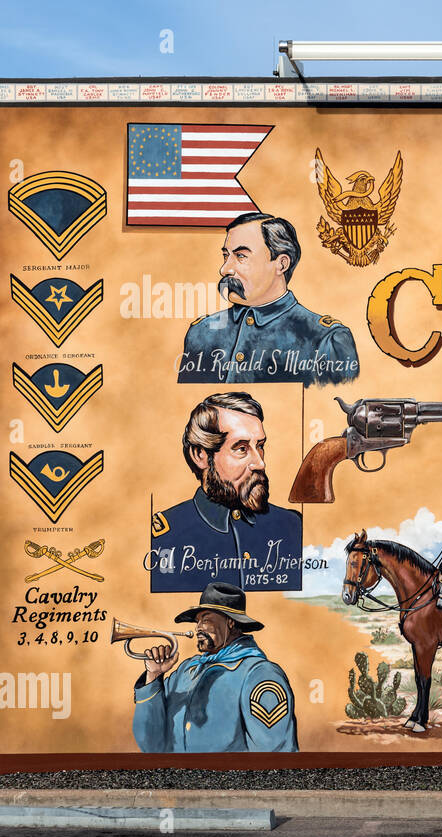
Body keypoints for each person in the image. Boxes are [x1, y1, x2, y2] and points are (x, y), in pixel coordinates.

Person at [177, 212, 359, 386]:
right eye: (226, 255)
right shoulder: (202, 333)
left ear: (281, 264)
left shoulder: (326, 339)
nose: (225, 269)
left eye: (241, 256)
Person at [150, 392, 302, 592]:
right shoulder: (164, 537)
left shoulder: (292, 526)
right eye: (241, 448)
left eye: (260, 446)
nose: (260, 463)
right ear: (200, 455)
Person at [132, 582, 298, 752]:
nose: (197, 628)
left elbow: (275, 755)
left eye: (206, 619)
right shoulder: (185, 671)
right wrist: (153, 676)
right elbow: (151, 746)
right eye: (197, 622)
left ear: (230, 622)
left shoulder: (260, 674)